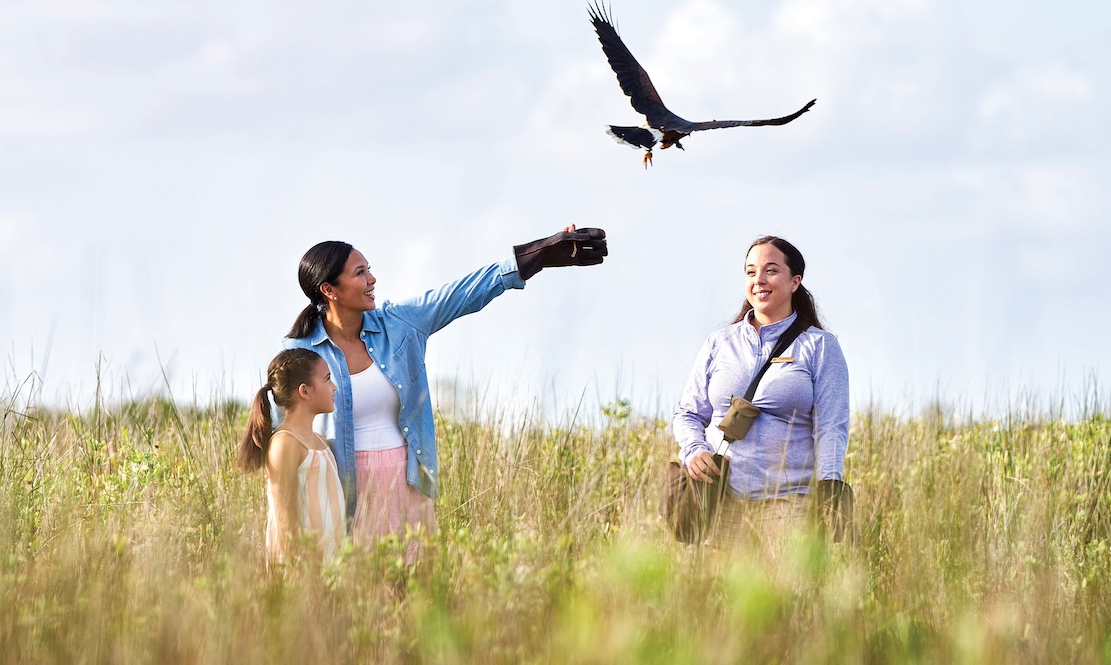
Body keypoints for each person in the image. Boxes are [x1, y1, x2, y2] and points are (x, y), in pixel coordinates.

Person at [281, 227, 607, 561]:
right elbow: (286, 436)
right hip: (341, 488)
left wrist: (529, 258)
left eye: (369, 269)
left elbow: (459, 294)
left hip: (407, 480)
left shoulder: (399, 324)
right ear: (328, 290)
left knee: (415, 592)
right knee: (357, 596)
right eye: (360, 273)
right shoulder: (299, 350)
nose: (372, 279)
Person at [672, 235, 849, 546]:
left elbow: (831, 427)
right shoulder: (720, 342)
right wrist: (694, 451)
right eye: (751, 272)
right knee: (717, 594)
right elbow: (687, 413)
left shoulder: (820, 346)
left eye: (770, 270)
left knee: (786, 594)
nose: (759, 280)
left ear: (795, 282)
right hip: (720, 500)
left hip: (790, 505)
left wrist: (830, 487)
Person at [237, 348, 346, 565]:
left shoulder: (321, 442)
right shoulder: (285, 443)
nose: (334, 387)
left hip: (331, 566)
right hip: (301, 570)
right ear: (304, 391)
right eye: (327, 379)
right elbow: (285, 520)